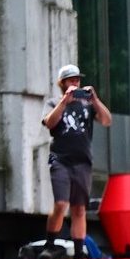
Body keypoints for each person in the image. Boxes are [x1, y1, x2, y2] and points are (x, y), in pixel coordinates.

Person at [41, 65, 111, 247]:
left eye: (77, 80)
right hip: (59, 159)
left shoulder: (87, 105)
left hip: (83, 161)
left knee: (79, 208)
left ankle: (79, 251)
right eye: (71, 80)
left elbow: (106, 120)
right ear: (62, 83)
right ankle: (50, 244)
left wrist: (95, 100)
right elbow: (49, 123)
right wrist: (64, 101)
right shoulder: (53, 102)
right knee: (61, 203)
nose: (75, 83)